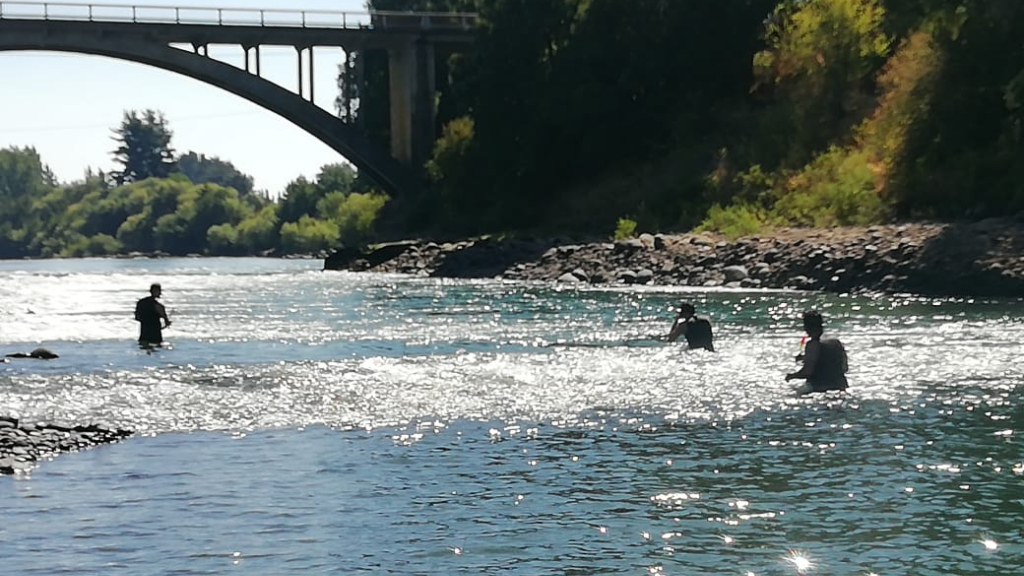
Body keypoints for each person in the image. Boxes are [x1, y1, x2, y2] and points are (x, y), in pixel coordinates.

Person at [786, 310, 848, 393]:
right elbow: (844, 368)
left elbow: (807, 372)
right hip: (840, 386)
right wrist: (805, 358)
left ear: (806, 327)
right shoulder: (835, 342)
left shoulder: (812, 345)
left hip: (818, 387)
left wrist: (792, 376)